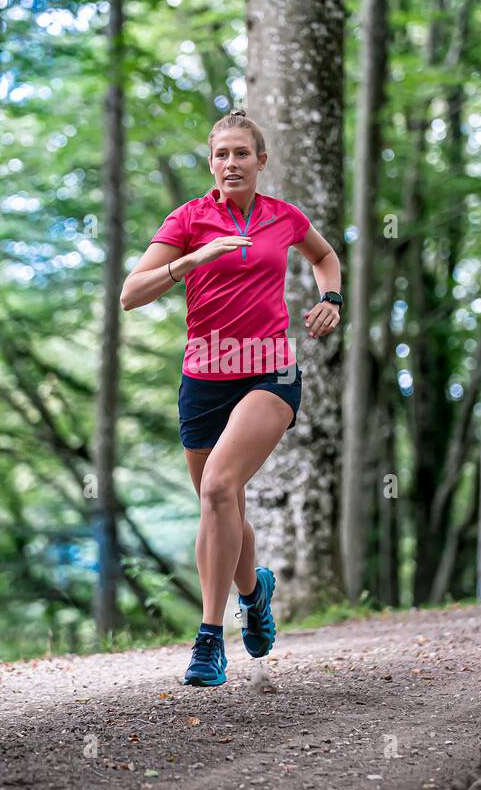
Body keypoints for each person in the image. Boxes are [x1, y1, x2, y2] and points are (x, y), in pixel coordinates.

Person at [119, 108, 343, 686]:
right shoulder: (189, 219)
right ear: (211, 163)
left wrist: (332, 298)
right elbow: (130, 294)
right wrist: (188, 262)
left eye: (242, 153)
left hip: (268, 372)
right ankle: (254, 590)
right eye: (221, 154)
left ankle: (208, 639)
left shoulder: (283, 217)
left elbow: (324, 256)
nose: (231, 163)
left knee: (220, 487)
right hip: (203, 379)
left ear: (260, 161)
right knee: (223, 506)